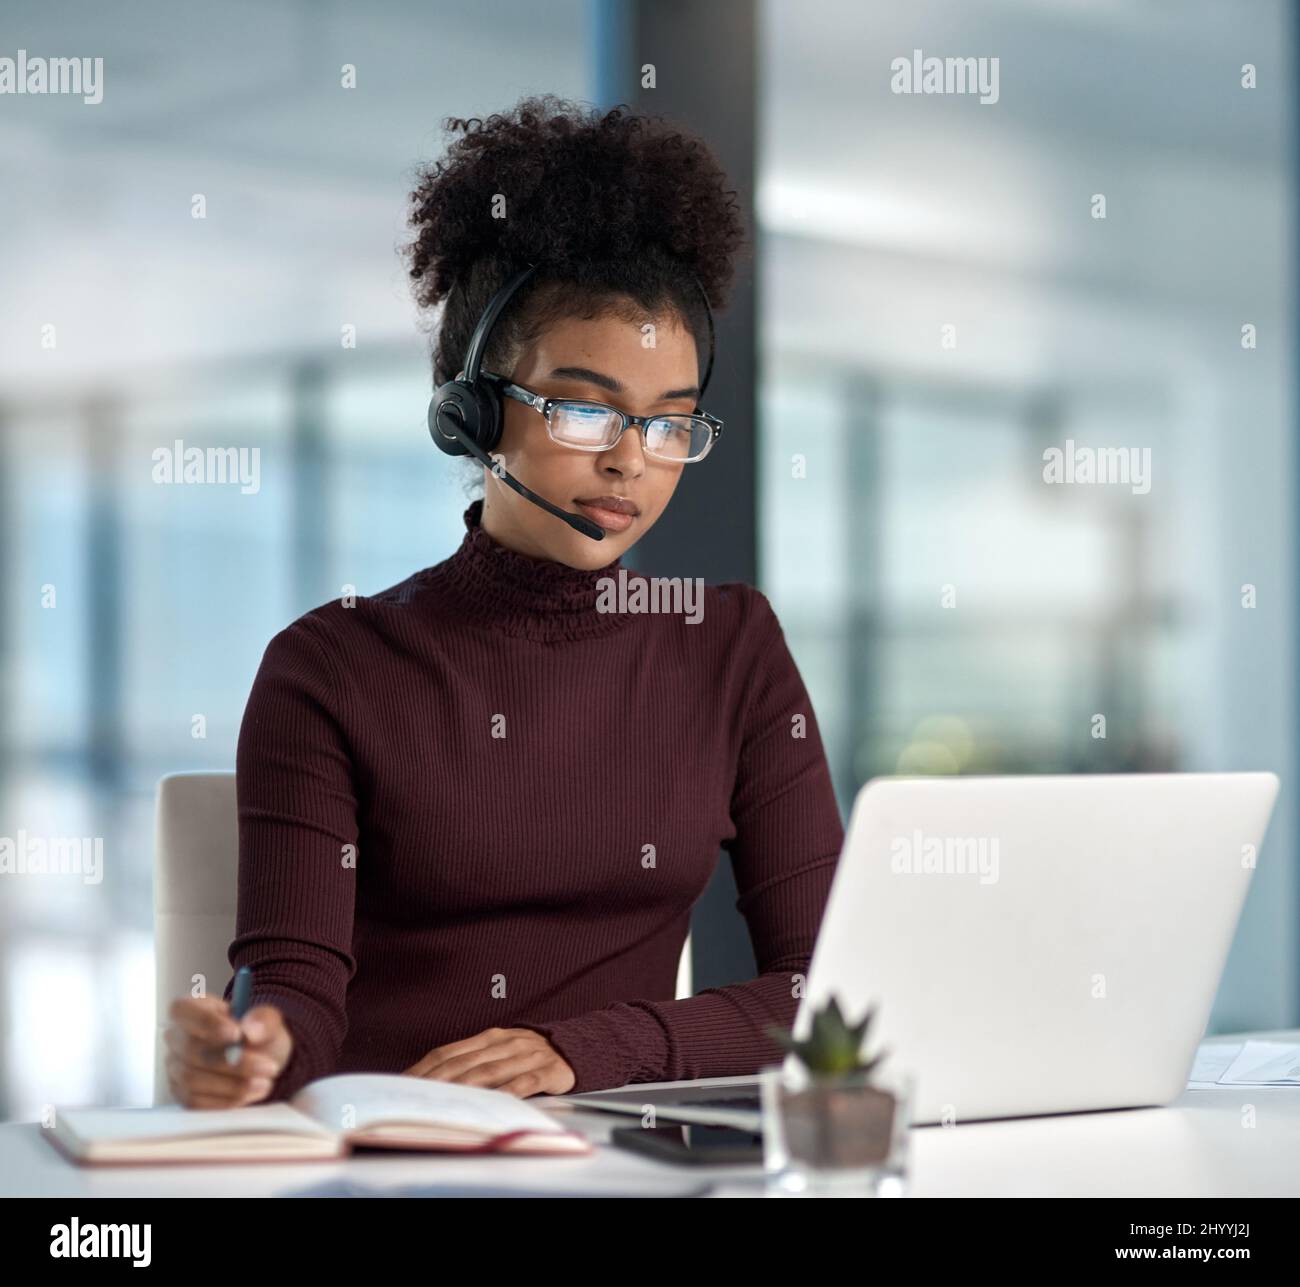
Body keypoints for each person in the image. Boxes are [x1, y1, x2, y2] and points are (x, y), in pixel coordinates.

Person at [164, 94, 844, 1108]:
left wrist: (588, 1050)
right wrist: (249, 1051)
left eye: (668, 424)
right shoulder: (334, 665)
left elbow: (828, 999)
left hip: (614, 1159)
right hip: (390, 1162)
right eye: (581, 408)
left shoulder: (731, 646)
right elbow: (296, 1003)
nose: (628, 461)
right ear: (471, 408)